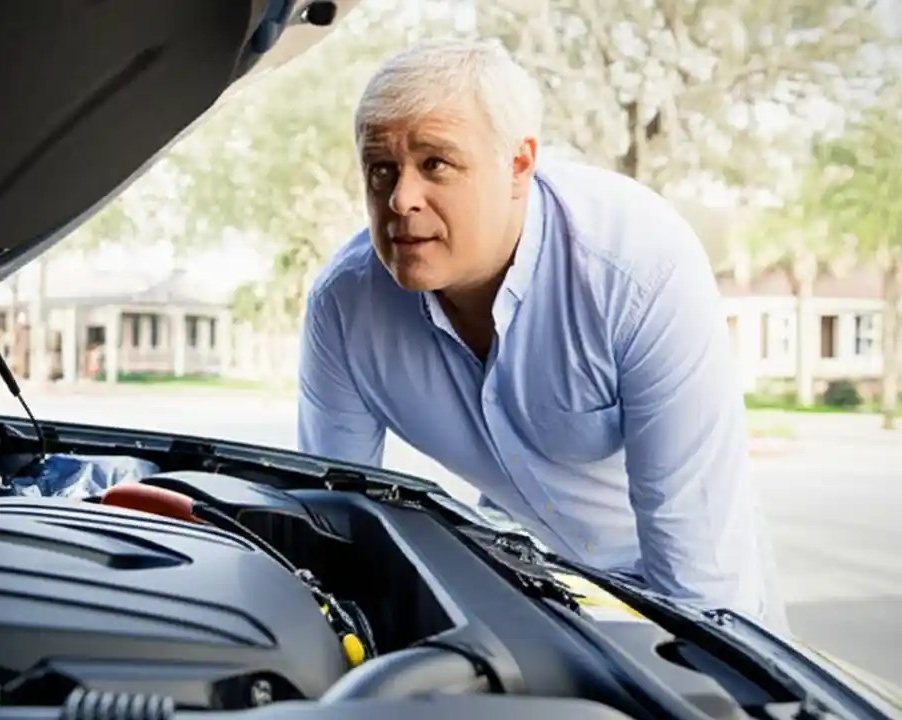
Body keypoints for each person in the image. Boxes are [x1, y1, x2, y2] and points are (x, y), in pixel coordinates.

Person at [297, 39, 787, 632]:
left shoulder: (636, 270)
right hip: (537, 597)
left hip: (692, 589)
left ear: (519, 165)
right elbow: (334, 524)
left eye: (436, 164)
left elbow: (701, 579)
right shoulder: (344, 309)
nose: (401, 198)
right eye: (381, 169)